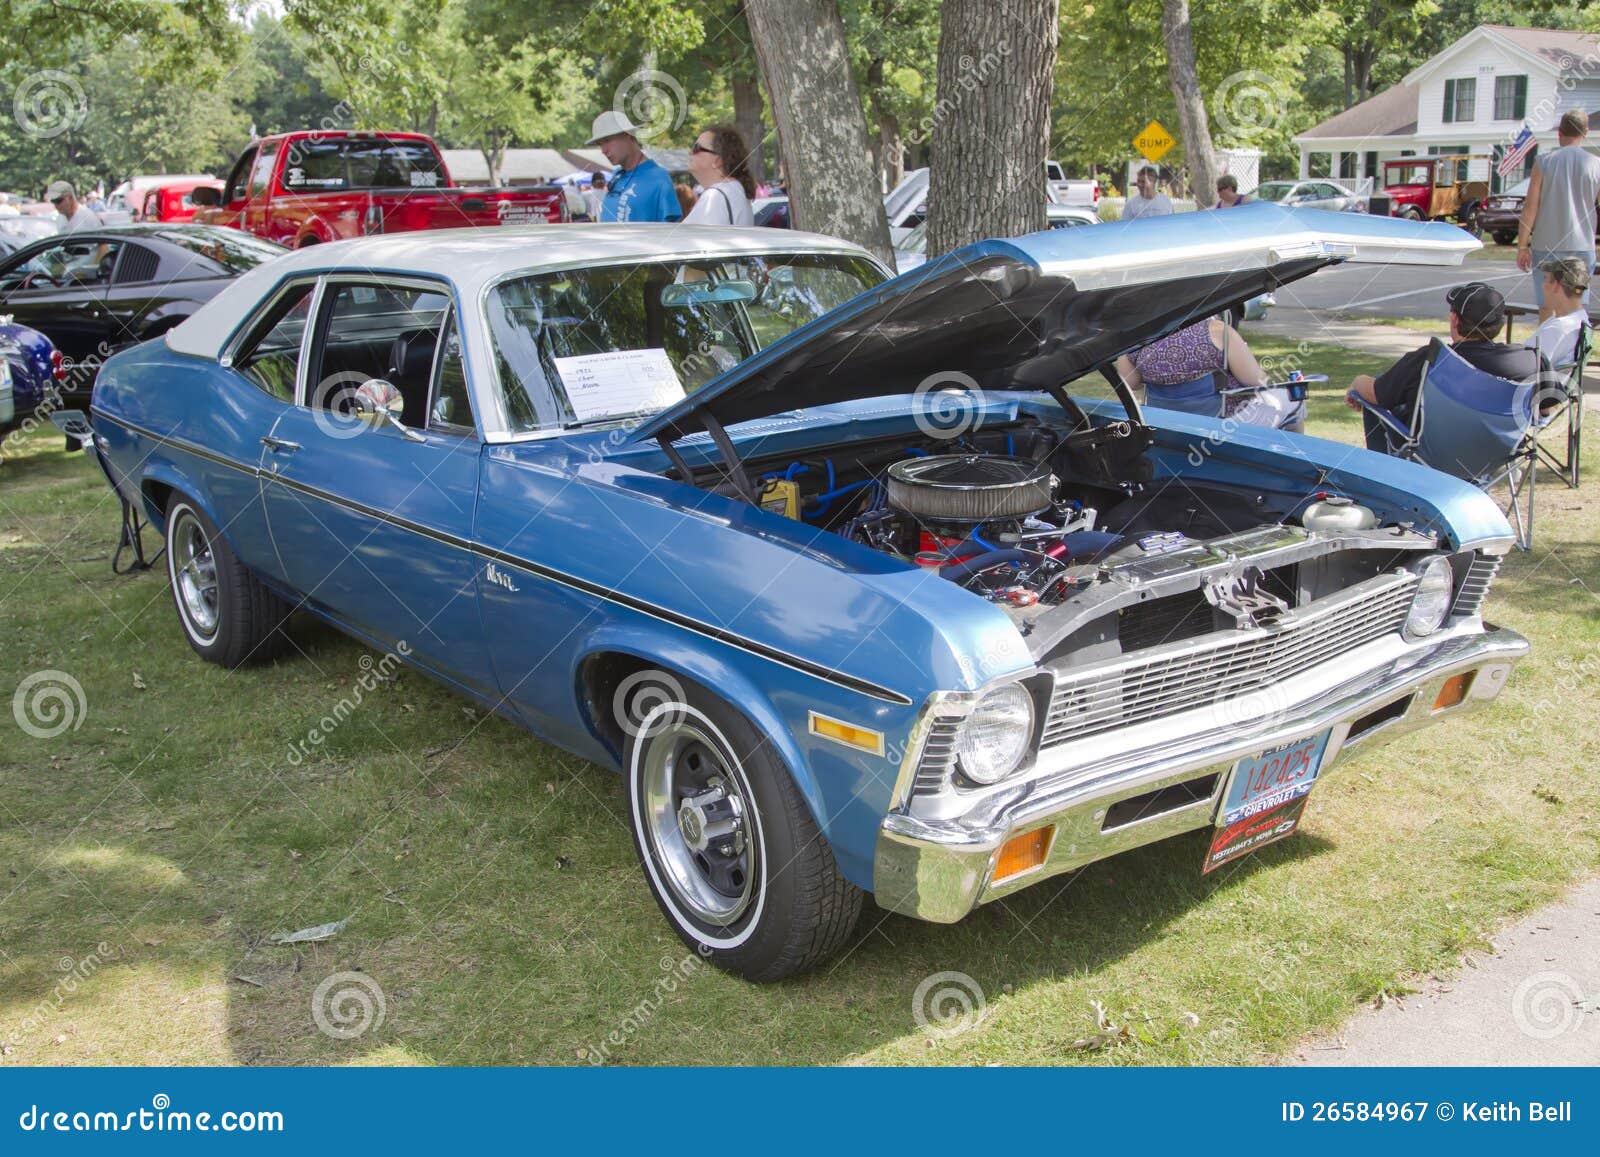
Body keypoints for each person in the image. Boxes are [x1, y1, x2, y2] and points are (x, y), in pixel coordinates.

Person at [1346, 283, 1542, 451]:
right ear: (1500, 324)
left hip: (1431, 457)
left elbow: (1376, 395)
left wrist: (1357, 382)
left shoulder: (1430, 359)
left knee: (1382, 390)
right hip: (1495, 453)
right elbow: (1547, 408)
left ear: (1454, 319)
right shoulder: (1529, 359)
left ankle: (1385, 477)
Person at [1116, 314, 1299, 431]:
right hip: (1223, 424)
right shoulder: (1217, 331)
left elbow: (1129, 383)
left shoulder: (1139, 336)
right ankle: (1301, 463)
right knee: (1291, 397)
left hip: (1165, 424)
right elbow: (1255, 381)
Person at [1516, 110, 1600, 318]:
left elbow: (1530, 207)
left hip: (1546, 245)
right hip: (1582, 245)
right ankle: (1576, 350)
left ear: (1559, 132)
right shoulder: (1596, 164)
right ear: (1586, 132)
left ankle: (1545, 351)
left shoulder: (1543, 162)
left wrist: (1522, 245)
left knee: (1547, 308)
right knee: (1575, 309)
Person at [586, 111, 680, 223]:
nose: (603, 150)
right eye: (600, 143)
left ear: (627, 134)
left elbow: (670, 231)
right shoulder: (617, 176)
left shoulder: (659, 179)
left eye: (607, 141)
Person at [683, 124, 756, 226]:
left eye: (697, 148)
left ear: (718, 160)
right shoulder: (733, 190)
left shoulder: (715, 196)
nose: (690, 152)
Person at [1528, 256, 1590, 366]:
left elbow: (1525, 367)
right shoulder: (1580, 319)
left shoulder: (1557, 329)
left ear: (1556, 286)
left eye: (1545, 279)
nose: (1542, 285)